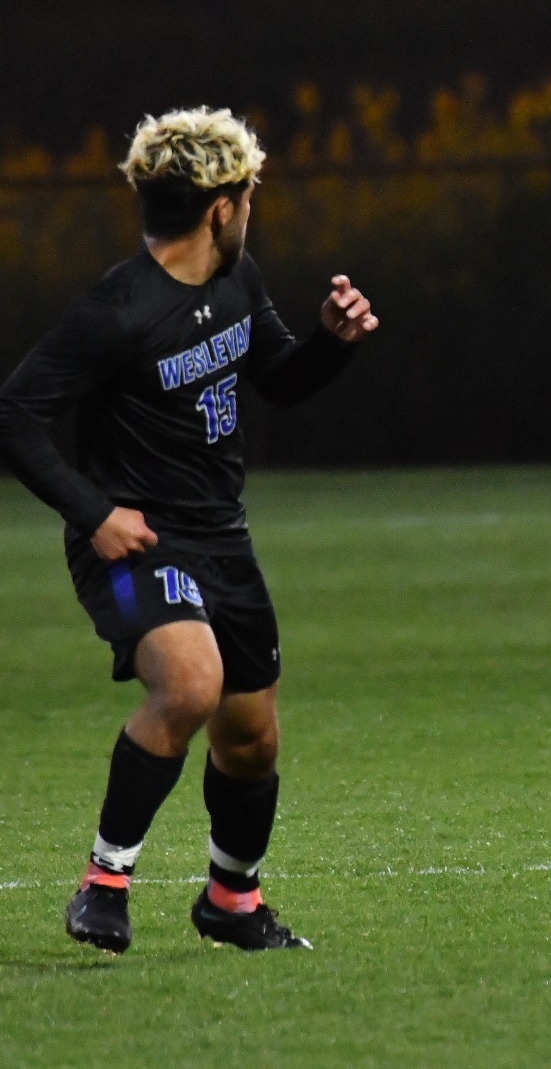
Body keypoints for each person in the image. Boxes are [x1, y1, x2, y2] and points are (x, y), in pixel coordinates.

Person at [0, 108, 379, 953]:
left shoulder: (237, 282)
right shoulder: (118, 310)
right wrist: (92, 513)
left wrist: (331, 342)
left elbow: (278, 379)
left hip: (222, 539)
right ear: (222, 206)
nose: (252, 210)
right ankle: (104, 884)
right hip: (135, 544)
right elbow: (15, 413)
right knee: (190, 683)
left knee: (250, 737)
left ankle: (231, 903)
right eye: (250, 195)